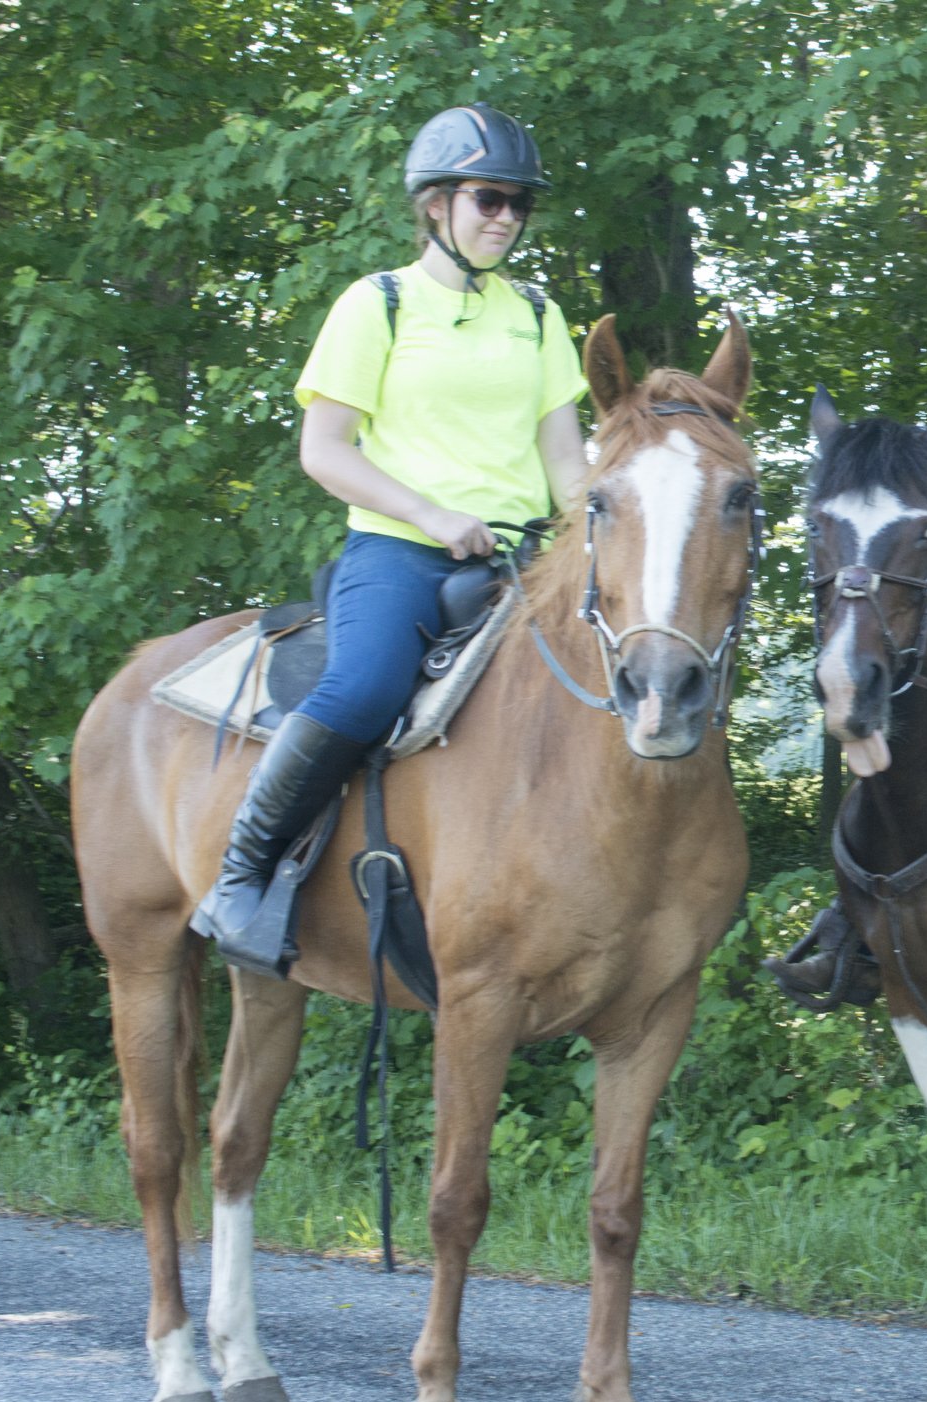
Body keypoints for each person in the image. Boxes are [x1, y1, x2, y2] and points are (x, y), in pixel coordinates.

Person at [192, 103, 590, 975]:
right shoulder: (377, 304)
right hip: (401, 549)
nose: (506, 219)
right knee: (365, 687)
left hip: (526, 558)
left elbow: (566, 461)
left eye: (520, 204)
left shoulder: (536, 316)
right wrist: (435, 515)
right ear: (434, 203)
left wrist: (605, 526)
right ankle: (240, 875)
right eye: (489, 198)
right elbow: (323, 451)